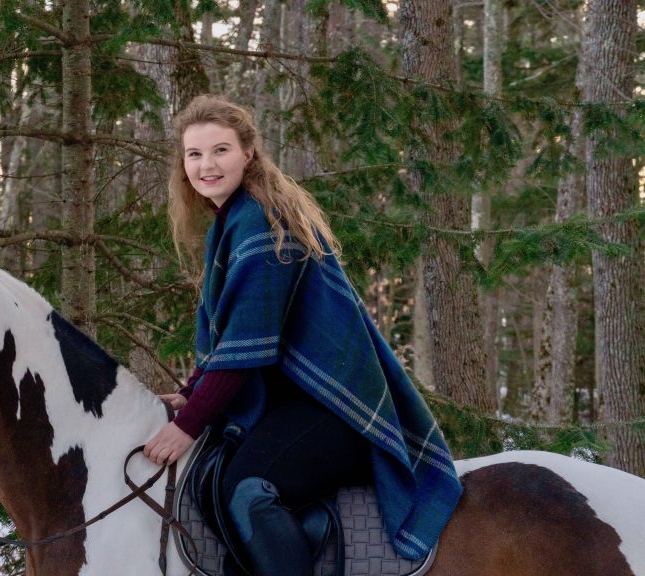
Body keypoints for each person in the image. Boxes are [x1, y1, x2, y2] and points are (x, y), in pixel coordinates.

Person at [143, 95, 462, 576]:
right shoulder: (231, 221)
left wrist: (188, 423)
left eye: (220, 150)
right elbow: (234, 334)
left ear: (249, 154)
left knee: (246, 488)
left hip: (334, 409)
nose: (206, 165)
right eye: (194, 154)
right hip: (295, 405)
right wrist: (192, 393)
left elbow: (248, 348)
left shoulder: (261, 222)